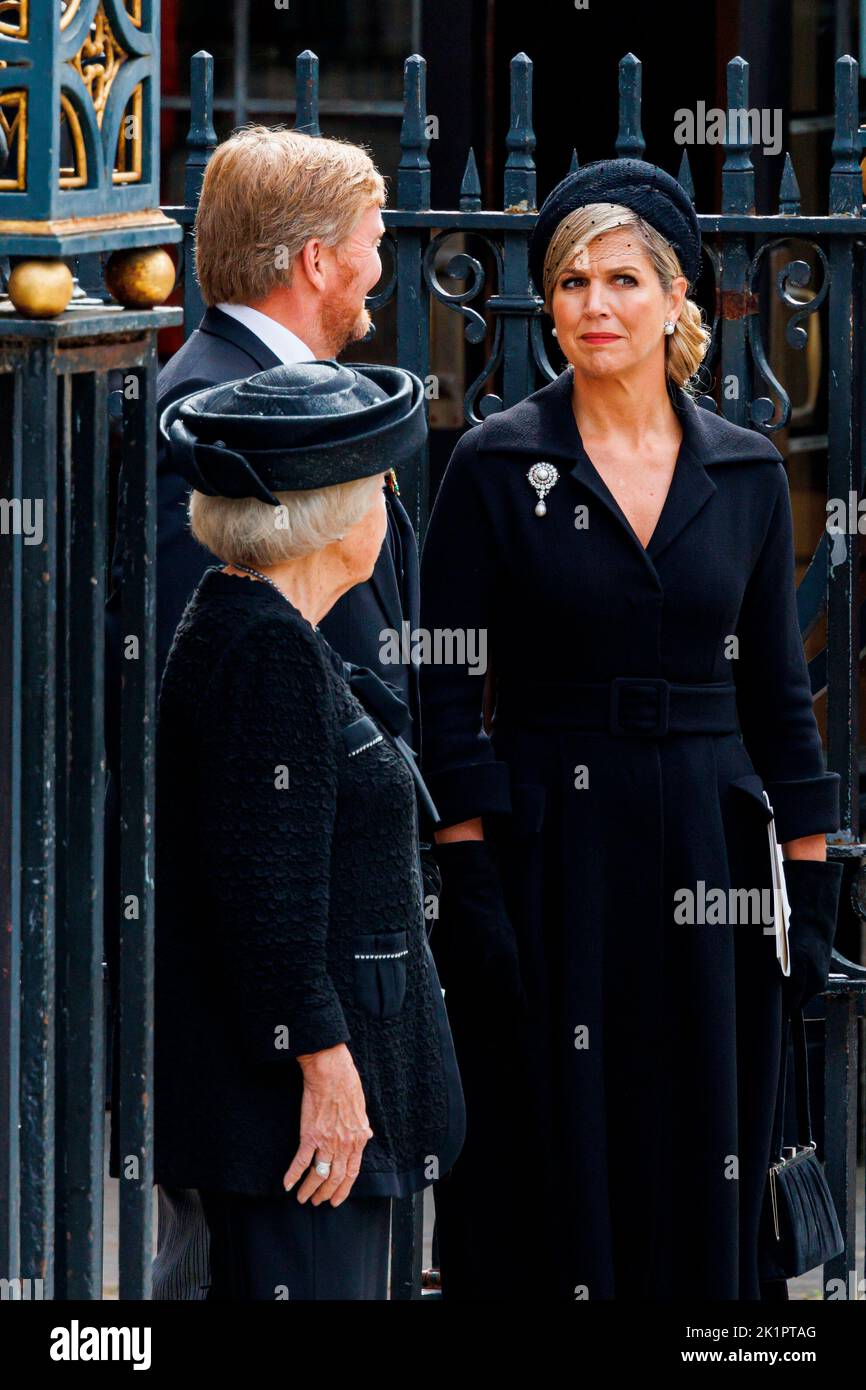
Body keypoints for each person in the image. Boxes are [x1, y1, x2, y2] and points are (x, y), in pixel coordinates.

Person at [418, 158, 843, 1300]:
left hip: (711, 852)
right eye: (567, 283)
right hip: (553, 847)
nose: (590, 306)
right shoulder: (494, 461)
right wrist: (469, 873)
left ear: (673, 302)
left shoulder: (746, 470)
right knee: (558, 1139)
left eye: (618, 280)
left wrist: (808, 887)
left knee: (702, 1126)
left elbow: (777, 701)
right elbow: (447, 693)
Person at [104, 125, 425, 1297]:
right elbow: (228, 751)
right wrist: (315, 1043)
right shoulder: (215, 418)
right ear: (315, 260)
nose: (384, 270)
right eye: (373, 245)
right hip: (270, 1030)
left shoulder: (269, 395)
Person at [152, 359, 464, 1300]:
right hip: (292, 1135)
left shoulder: (262, 627)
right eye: (380, 484)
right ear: (331, 515)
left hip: (293, 1123)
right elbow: (267, 902)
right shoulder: (264, 651)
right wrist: (328, 1078)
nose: (391, 506)